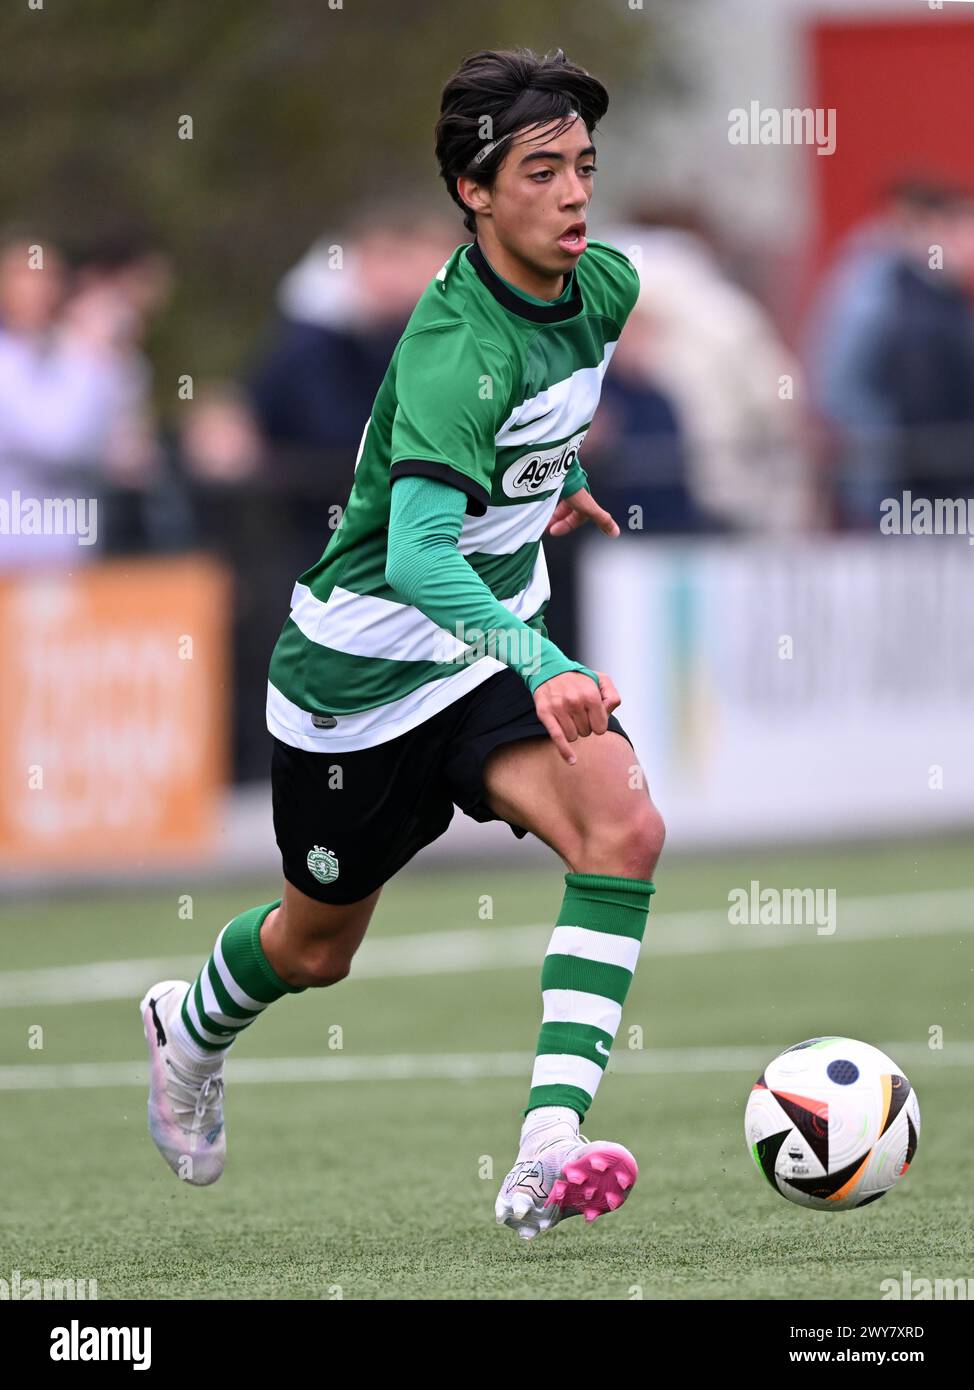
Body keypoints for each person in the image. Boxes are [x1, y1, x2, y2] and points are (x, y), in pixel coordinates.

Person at [140, 46, 665, 1242]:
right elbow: (422, 556)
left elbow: (539, 416)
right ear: (473, 193)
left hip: (486, 651)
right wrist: (543, 659)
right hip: (358, 683)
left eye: (584, 165)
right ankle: (191, 1027)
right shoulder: (449, 348)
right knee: (315, 949)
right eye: (540, 171)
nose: (575, 192)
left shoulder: (605, 286)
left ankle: (546, 1143)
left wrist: (550, 480)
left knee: (622, 825)